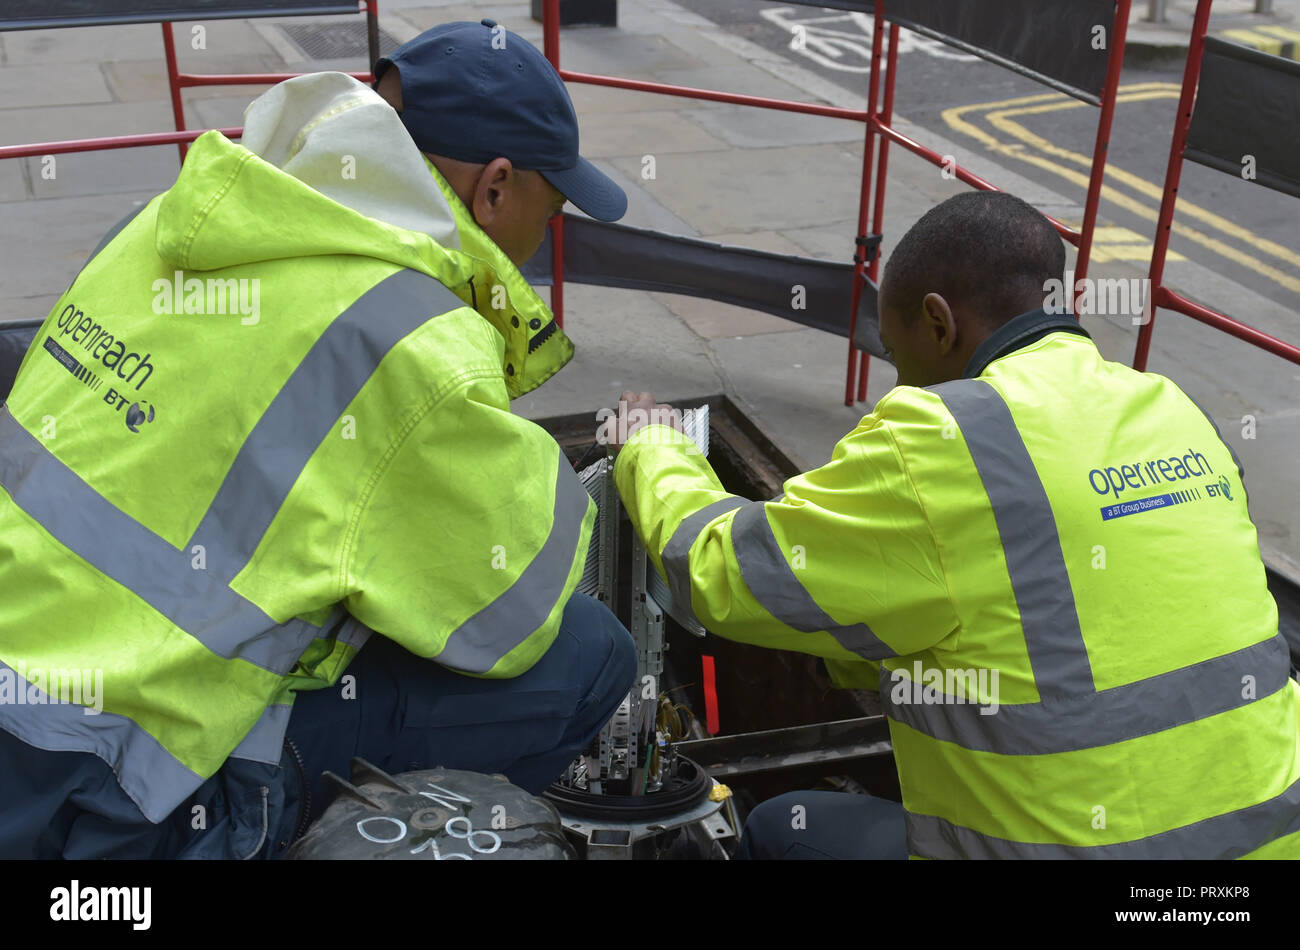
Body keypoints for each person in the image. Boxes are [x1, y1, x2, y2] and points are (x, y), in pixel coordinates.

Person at [0, 19, 636, 858]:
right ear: (495, 188)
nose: (542, 238)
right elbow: (507, 615)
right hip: (122, 793)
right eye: (548, 211)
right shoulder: (413, 336)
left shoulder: (172, 217)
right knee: (593, 656)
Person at [608, 190, 1300, 859]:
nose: (896, 378)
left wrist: (653, 444)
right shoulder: (1175, 410)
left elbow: (716, 570)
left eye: (895, 348)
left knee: (786, 826)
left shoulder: (943, 437)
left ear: (939, 322)